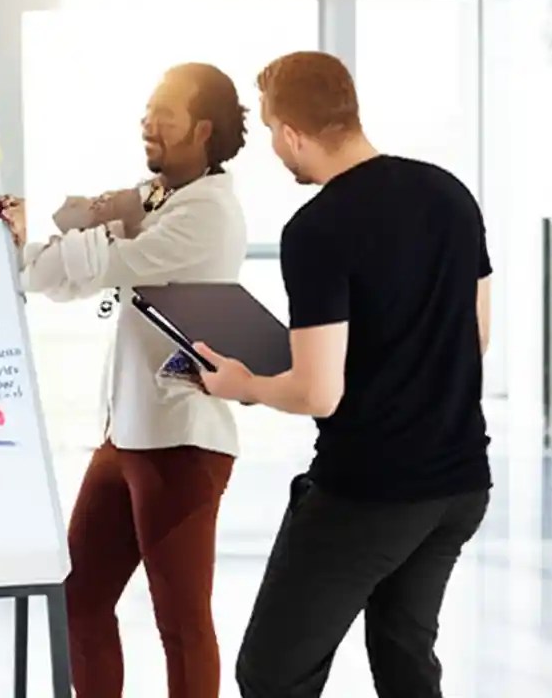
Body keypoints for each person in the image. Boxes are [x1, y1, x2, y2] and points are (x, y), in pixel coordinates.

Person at [195, 51, 493, 698]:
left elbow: (316, 391)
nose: (274, 147)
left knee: (272, 673)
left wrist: (240, 384)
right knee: (404, 654)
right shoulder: (448, 193)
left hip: (373, 490)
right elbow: (478, 334)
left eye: (273, 131)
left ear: (291, 132)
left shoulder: (319, 228)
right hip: (461, 484)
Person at [0, 63, 249, 698]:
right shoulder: (155, 198)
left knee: (181, 623)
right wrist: (32, 250)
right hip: (125, 434)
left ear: (202, 129)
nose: (148, 122)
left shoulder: (207, 214)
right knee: (78, 598)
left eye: (164, 112)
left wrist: (61, 246)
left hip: (181, 441)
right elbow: (66, 275)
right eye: (146, 110)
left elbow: (106, 262)